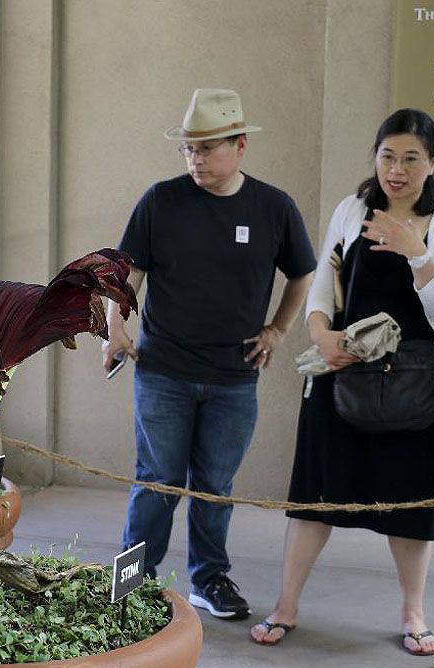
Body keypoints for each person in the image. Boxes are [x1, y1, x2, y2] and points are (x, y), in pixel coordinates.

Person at [250, 109, 434, 652]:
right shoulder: (353, 209)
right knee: (315, 496)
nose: (396, 170)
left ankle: (414, 614)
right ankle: (286, 606)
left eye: (410, 159)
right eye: (387, 156)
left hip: (415, 379)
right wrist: (321, 333)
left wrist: (414, 250)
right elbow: (324, 288)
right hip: (342, 370)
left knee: (410, 504)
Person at [103, 88, 315, 620]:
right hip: (163, 370)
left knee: (215, 488)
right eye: (188, 149)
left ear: (240, 146)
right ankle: (131, 583)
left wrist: (278, 330)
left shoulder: (273, 207)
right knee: (156, 481)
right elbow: (127, 275)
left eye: (208, 148)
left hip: (233, 376)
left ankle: (209, 579)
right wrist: (115, 328)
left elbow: (303, 271)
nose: (196, 159)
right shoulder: (161, 200)